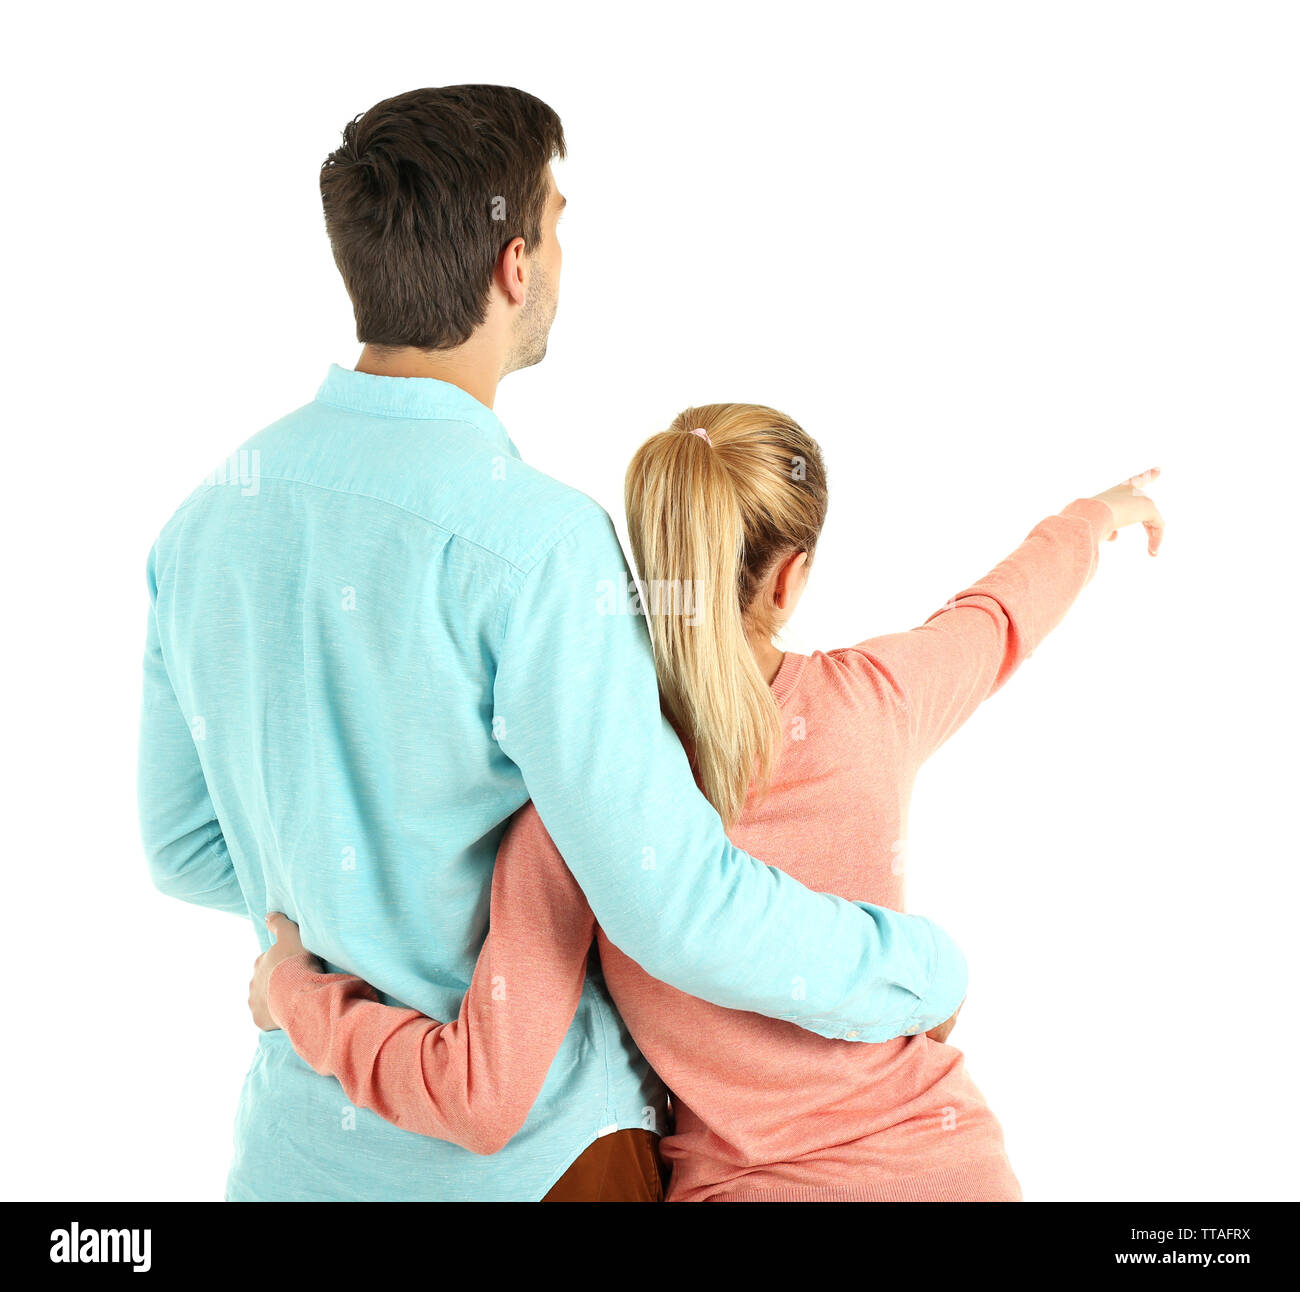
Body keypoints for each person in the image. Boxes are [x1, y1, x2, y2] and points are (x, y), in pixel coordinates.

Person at [138, 86, 968, 1202]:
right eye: (559, 225)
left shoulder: (201, 525)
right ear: (515, 264)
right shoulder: (540, 545)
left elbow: (184, 846)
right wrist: (917, 966)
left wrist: (333, 919)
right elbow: (675, 904)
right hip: (539, 1164)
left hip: (293, 1162)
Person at [248, 406, 1163, 1201]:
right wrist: (1096, 519)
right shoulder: (877, 699)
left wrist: (296, 995)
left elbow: (479, 1098)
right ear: (789, 577)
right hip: (949, 1165)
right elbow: (997, 617)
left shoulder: (575, 802)